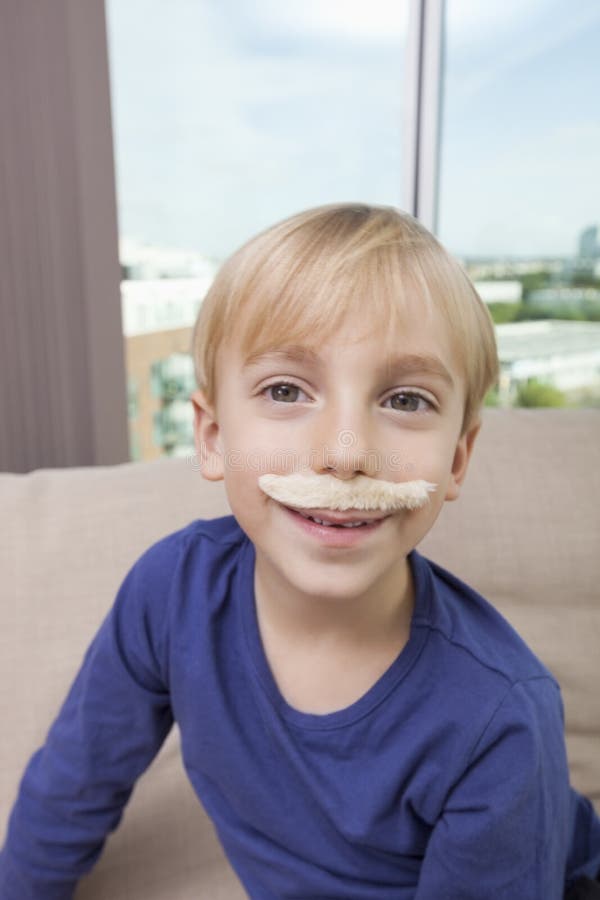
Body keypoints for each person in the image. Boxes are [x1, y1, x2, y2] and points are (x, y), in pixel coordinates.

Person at [1, 203, 599, 899]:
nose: (345, 455)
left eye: (405, 400)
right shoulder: (169, 594)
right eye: (286, 390)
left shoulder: (500, 718)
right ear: (213, 436)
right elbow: (71, 789)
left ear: (458, 460)